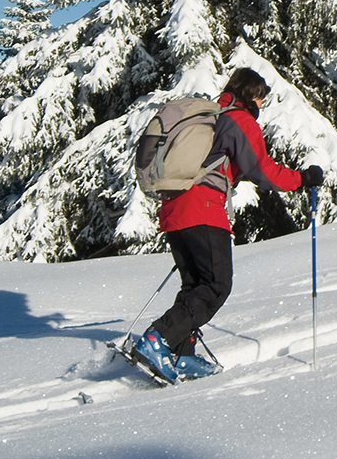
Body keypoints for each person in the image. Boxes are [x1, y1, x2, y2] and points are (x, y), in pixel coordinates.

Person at [132, 68, 324, 382]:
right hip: (202, 210)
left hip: (174, 210)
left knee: (195, 286)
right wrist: (303, 179)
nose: (262, 105)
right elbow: (262, 169)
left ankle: (181, 354)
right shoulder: (238, 120)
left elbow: (232, 166)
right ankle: (158, 339)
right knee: (216, 286)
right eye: (261, 98)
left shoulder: (213, 118)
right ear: (251, 95)